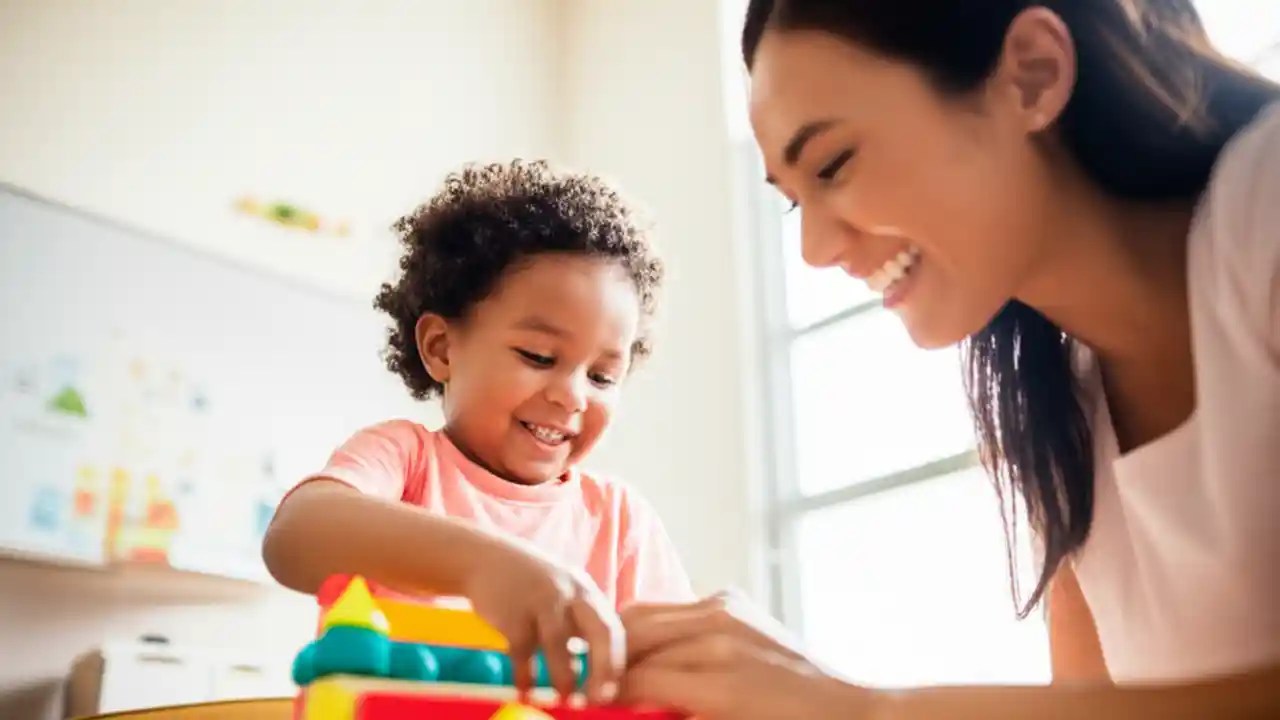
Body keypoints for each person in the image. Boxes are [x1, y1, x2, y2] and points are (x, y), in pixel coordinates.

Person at [618, 1, 1280, 718]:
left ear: (1032, 75)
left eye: (833, 165)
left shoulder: (1264, 205)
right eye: (792, 201)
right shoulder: (1063, 425)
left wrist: (863, 711)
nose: (813, 249)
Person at [263, 160, 693, 706]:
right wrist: (483, 566)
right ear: (442, 348)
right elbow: (295, 536)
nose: (573, 395)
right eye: (538, 356)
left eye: (603, 375)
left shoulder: (618, 521)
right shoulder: (406, 460)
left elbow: (679, 677)